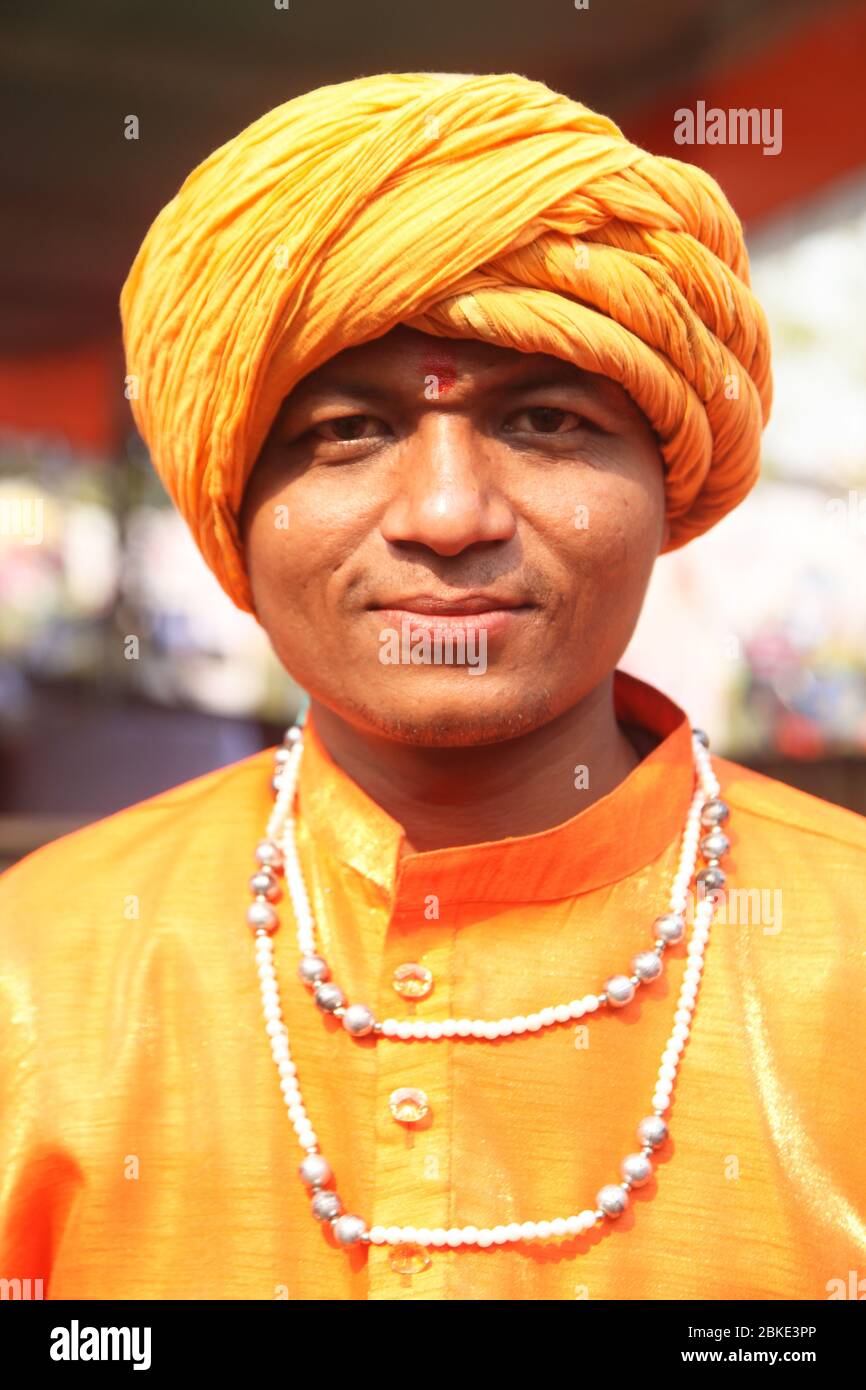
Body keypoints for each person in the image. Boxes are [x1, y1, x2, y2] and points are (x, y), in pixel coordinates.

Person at [1, 71, 863, 1303]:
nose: (450, 516)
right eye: (348, 430)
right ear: (230, 505)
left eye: (549, 421)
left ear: (665, 487)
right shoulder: (36, 966)